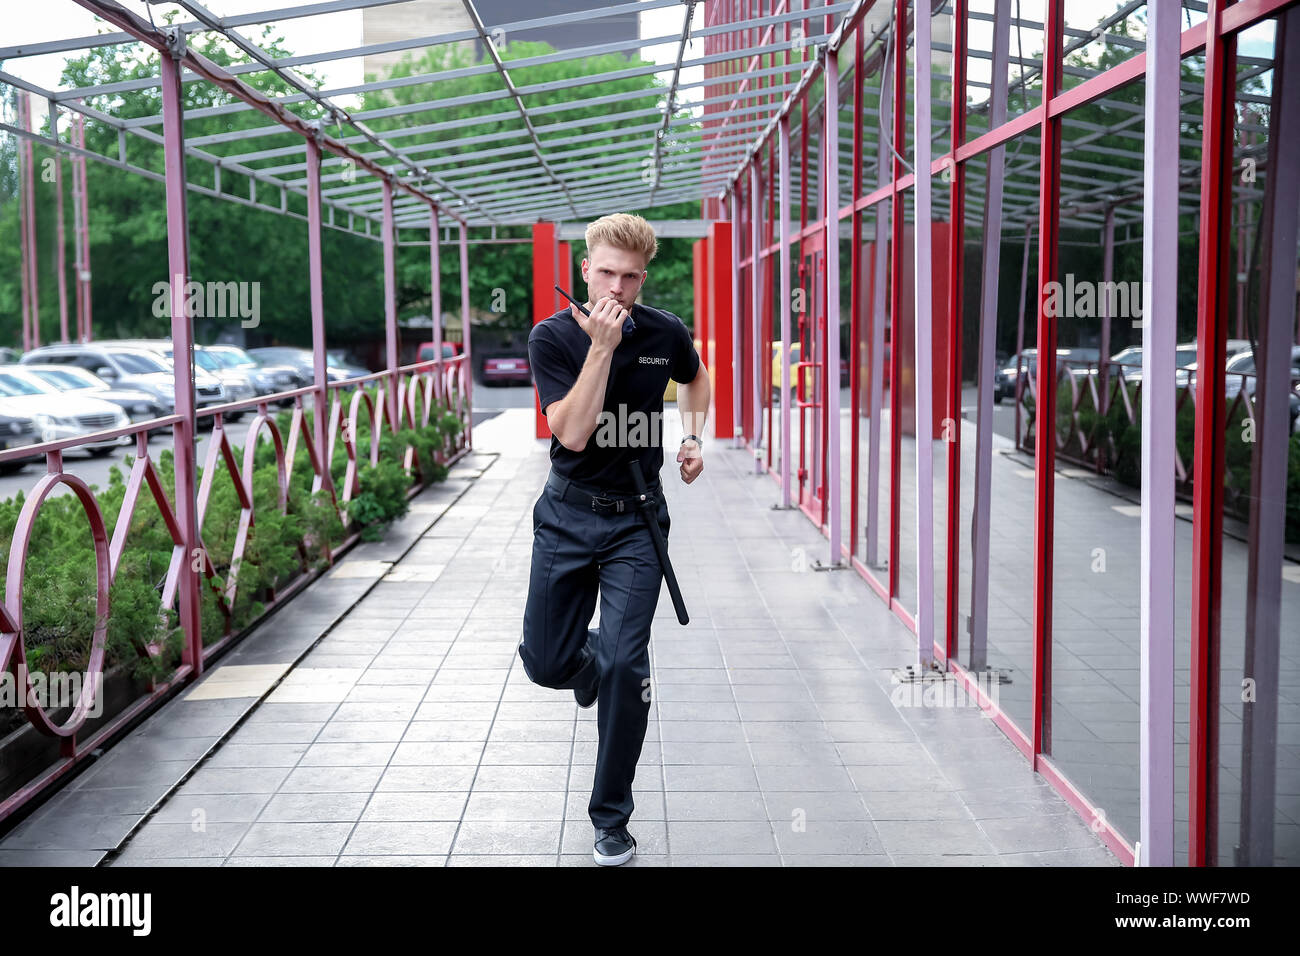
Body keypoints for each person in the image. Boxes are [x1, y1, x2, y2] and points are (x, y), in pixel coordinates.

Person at [519, 213, 710, 866]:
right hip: (567, 515)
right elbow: (569, 433)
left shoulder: (663, 332)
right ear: (584, 269)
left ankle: (612, 818)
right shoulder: (550, 338)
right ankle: (586, 662)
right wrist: (601, 347)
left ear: (643, 276)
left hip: (637, 519)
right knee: (546, 663)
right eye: (606, 273)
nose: (618, 288)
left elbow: (694, 376)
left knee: (630, 668)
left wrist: (691, 436)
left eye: (630, 277)